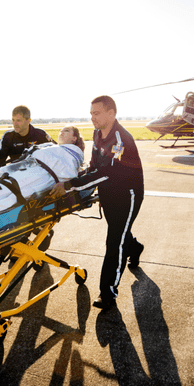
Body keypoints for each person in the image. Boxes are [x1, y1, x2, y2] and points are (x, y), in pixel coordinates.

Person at [50, 96, 144, 312]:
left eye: (97, 113)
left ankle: (108, 292)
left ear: (111, 114)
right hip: (109, 192)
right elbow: (95, 165)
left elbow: (106, 172)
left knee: (115, 242)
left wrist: (70, 186)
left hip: (127, 195)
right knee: (120, 234)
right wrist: (82, 180)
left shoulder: (121, 139)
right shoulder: (97, 133)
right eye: (91, 113)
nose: (92, 117)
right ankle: (135, 247)